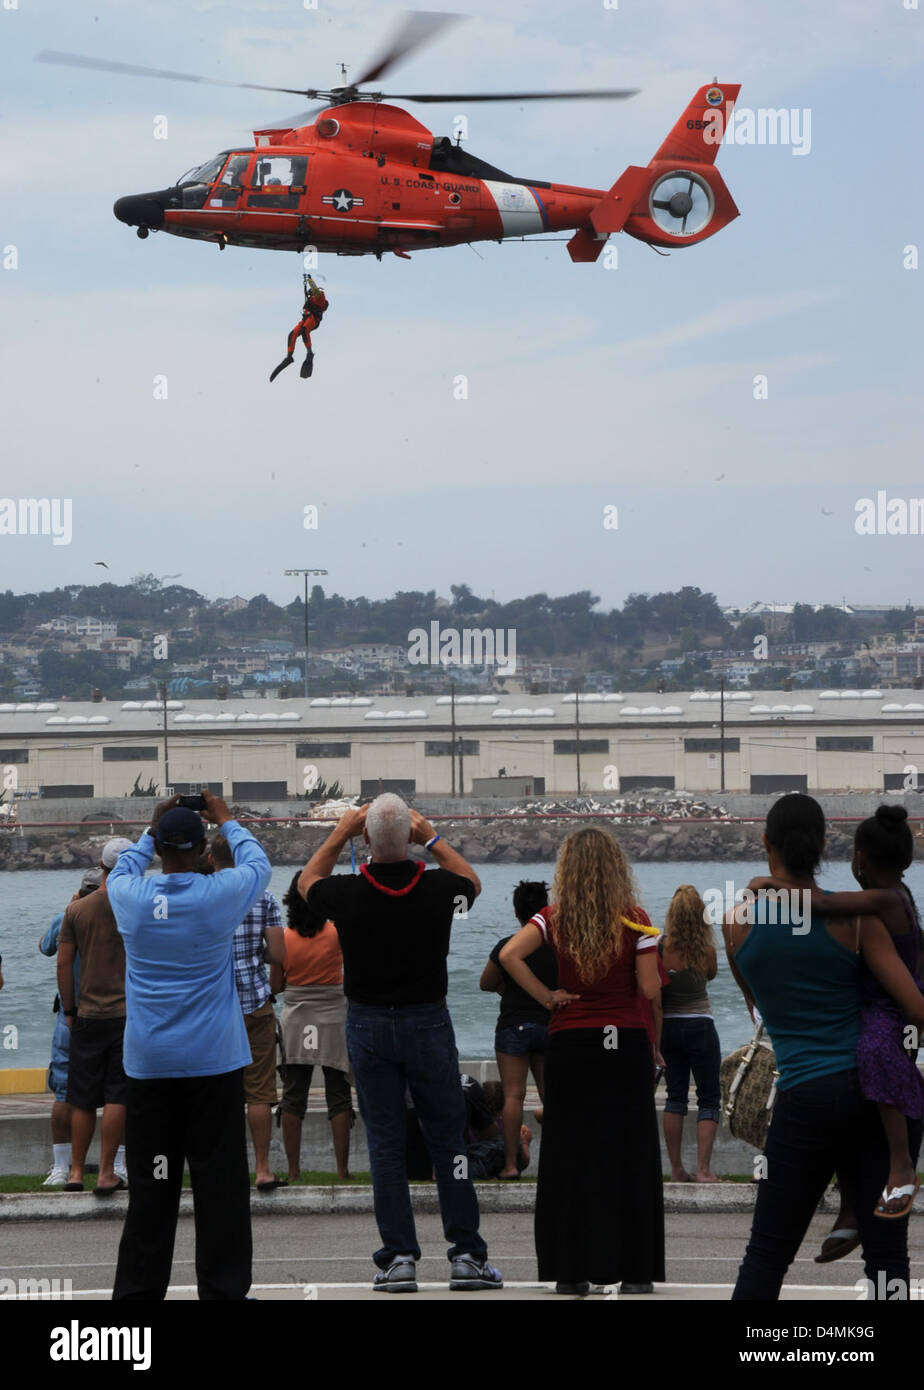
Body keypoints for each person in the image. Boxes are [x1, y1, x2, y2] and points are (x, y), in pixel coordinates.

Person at [298, 794, 502, 1293]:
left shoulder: (347, 892)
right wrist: (430, 835)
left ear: (366, 839)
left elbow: (306, 885)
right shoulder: (436, 887)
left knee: (386, 1146)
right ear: (409, 837)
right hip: (427, 1022)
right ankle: (466, 1255)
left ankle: (399, 1258)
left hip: (368, 1024)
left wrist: (341, 831)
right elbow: (472, 882)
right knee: (448, 1140)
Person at [724, 793, 924, 1300]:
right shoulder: (859, 921)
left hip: (804, 1095)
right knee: (886, 1257)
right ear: (824, 846)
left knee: (767, 1253)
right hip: (874, 1095)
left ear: (766, 843)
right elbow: (912, 1005)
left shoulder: (735, 924)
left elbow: (758, 1009)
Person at [106, 792, 271, 1301]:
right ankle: (223, 1292)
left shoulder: (130, 898)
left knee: (152, 1189)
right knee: (219, 1185)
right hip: (213, 1063)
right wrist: (224, 817)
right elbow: (258, 863)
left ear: (159, 849)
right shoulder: (217, 896)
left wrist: (150, 829)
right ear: (202, 850)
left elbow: (125, 867)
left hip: (150, 1065)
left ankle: (136, 1299)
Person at [500, 827, 665, 1296]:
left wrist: (548, 997)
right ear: (617, 870)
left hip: (572, 1043)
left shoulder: (552, 918)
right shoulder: (636, 920)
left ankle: (571, 1272)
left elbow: (510, 956)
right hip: (625, 1043)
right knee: (629, 1153)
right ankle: (635, 1271)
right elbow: (651, 990)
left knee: (569, 1155)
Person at [56, 837, 134, 1194]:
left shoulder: (78, 910)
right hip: (127, 1014)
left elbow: (63, 964)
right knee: (118, 1095)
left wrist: (69, 1011)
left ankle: (75, 1172)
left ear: (101, 867)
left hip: (87, 1011)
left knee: (83, 1098)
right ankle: (106, 1172)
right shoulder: (138, 908)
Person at [209, 834, 286, 1192]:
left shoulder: (202, 896)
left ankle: (222, 1170)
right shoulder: (264, 897)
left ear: (211, 859)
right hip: (255, 1002)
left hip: (212, 1009)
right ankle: (264, 1168)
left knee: (218, 1092)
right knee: (259, 1092)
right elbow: (279, 955)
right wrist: (256, 955)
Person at [271, 873, 354, 1183]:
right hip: (333, 1016)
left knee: (293, 1096)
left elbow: (276, 985)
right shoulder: (337, 932)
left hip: (297, 1018)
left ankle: (293, 1172)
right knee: (339, 1094)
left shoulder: (282, 937)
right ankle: (342, 1170)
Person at [479, 880, 556, 1178]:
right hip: (549, 1026)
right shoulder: (557, 949)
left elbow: (485, 983)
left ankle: (510, 1164)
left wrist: (508, 990)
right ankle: (559, 1161)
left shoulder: (507, 946)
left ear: (516, 912)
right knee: (552, 1096)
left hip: (514, 1026)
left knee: (513, 1096)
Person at [658, 884, 721, 1184]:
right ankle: (704, 1170)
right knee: (709, 1098)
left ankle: (676, 1169)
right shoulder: (705, 949)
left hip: (668, 1028)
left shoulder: (658, 947)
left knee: (675, 1098)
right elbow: (710, 975)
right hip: (700, 1025)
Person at [269, 276, 329, 381]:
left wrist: (309, 280)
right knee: (292, 334)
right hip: (306, 319)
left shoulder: (320, 298)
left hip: (312, 320)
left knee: (305, 331)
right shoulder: (312, 298)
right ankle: (289, 357)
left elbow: (315, 289)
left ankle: (309, 352)